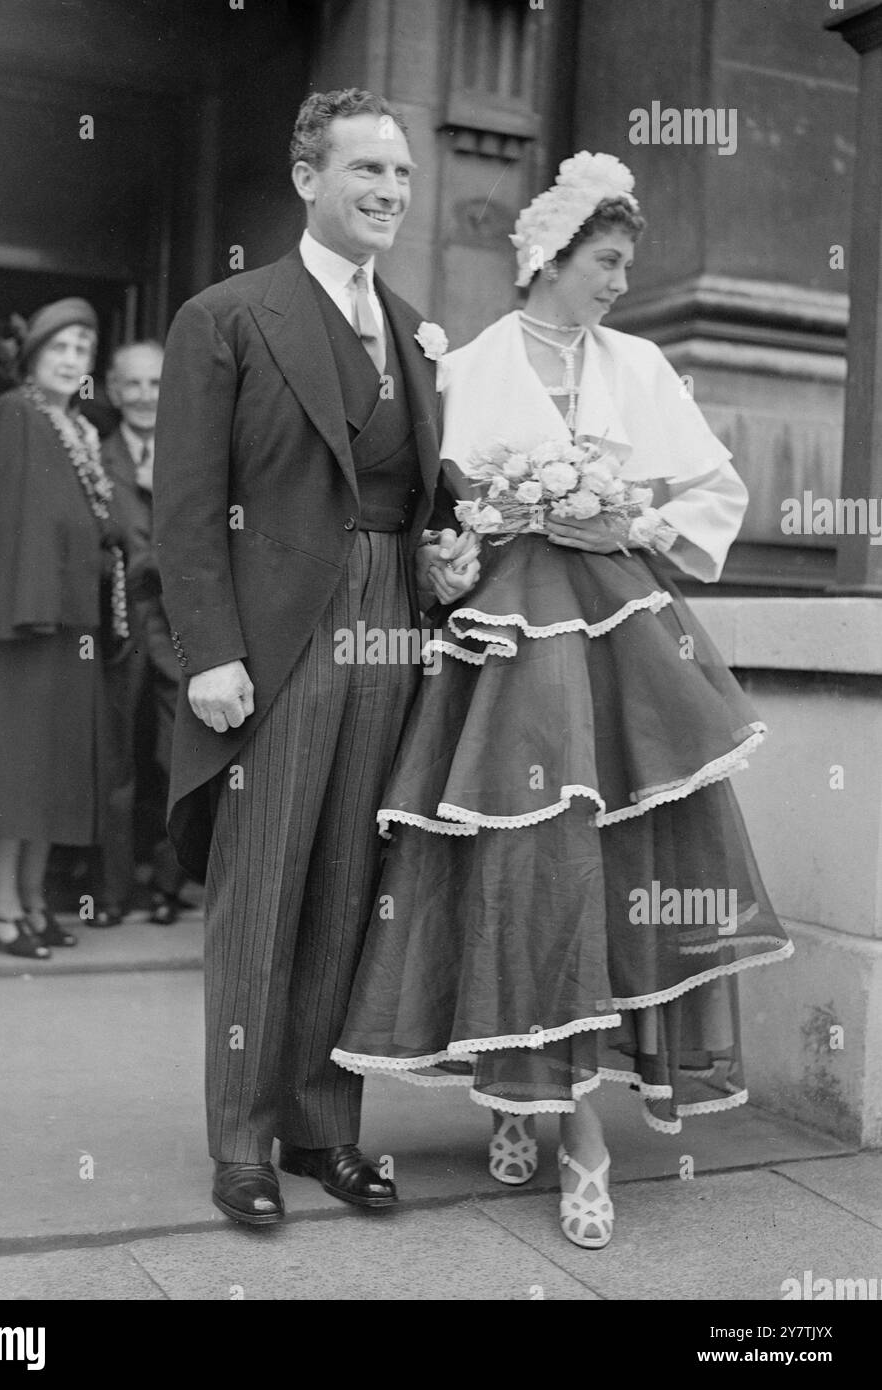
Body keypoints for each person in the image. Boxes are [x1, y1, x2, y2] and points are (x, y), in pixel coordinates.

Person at [332, 152, 793, 1249]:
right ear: (547, 257)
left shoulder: (636, 364)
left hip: (619, 641)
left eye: (625, 266)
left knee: (613, 864)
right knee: (516, 859)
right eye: (604, 262)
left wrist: (623, 522)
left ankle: (579, 1128)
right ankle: (518, 1087)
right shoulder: (464, 363)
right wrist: (441, 570)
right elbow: (423, 518)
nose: (616, 283)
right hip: (506, 644)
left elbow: (714, 492)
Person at [154, 88, 479, 1226]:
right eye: (366, 172)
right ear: (307, 178)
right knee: (263, 892)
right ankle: (240, 1140)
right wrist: (208, 653)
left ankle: (322, 1128)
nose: (390, 191)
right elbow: (187, 509)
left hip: (391, 616)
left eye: (401, 175)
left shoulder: (414, 329)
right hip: (277, 634)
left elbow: (422, 492)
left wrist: (449, 561)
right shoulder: (226, 316)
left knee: (353, 887)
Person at [0, 297, 129, 959]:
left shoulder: (80, 426)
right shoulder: (15, 414)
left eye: (81, 350)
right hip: (25, 625)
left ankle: (32, 900)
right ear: (33, 358)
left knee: (55, 771)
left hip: (73, 624)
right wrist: (23, 612)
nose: (70, 360)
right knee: (14, 771)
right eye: (58, 348)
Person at [99, 340, 188, 927]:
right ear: (112, 389)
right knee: (113, 760)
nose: (143, 396)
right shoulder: (93, 451)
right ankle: (109, 892)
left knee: (173, 759)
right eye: (131, 384)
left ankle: (166, 884)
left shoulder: (190, 454)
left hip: (179, 630)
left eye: (155, 383)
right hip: (116, 626)